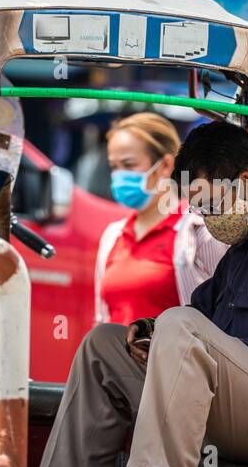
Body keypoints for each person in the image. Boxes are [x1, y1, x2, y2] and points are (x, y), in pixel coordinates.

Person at [30, 120, 248, 467]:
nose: (206, 218)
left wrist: (199, 344)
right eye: (198, 208)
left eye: (209, 204)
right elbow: (200, 316)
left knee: (181, 325)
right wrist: (151, 334)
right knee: (103, 343)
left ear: (246, 182)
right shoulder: (241, 248)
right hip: (223, 403)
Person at [95, 113, 226, 324]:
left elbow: (223, 314)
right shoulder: (112, 236)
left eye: (128, 165)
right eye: (114, 167)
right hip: (117, 354)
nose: (119, 176)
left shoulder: (199, 230)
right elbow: (102, 319)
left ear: (165, 166)